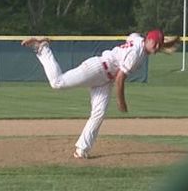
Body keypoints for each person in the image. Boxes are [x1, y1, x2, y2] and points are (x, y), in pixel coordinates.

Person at [22, 30, 173, 159]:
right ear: (148, 39)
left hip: (105, 80)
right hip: (97, 69)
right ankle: (43, 48)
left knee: (99, 113)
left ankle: (82, 149)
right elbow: (120, 79)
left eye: (159, 45)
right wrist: (121, 101)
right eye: (155, 43)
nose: (157, 47)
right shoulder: (136, 55)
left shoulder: (137, 39)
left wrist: (164, 44)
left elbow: (133, 35)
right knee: (57, 82)